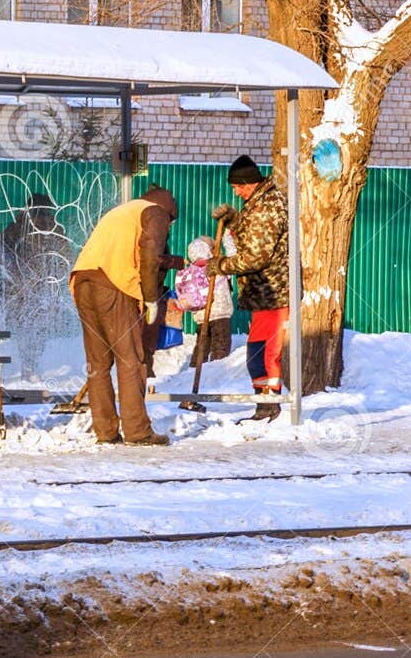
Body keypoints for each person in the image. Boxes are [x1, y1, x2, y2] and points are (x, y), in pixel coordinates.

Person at [70, 184, 181, 446]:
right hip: (113, 285)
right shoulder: (156, 212)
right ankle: (138, 431)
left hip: (83, 281)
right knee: (131, 359)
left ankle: (106, 431)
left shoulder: (125, 211)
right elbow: (150, 254)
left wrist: (176, 262)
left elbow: (145, 253)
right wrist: (152, 297)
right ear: (168, 211)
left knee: (98, 363)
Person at [210, 155, 291, 421]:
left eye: (237, 186)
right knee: (257, 352)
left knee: (265, 353)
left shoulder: (266, 207)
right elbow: (252, 237)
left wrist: (221, 266)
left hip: (273, 292)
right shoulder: (259, 203)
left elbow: (256, 256)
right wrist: (234, 222)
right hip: (263, 293)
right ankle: (263, 404)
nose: (235, 191)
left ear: (249, 183)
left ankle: (269, 406)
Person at [2, 193, 74, 380]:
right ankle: (29, 364)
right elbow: (65, 258)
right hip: (33, 288)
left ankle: (29, 364)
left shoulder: (17, 228)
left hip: (29, 288)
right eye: (41, 213)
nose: (44, 218)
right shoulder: (47, 229)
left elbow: (64, 257)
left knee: (29, 328)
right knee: (32, 328)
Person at [174, 233, 237, 366]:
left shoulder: (190, 271)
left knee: (201, 345)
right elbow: (233, 256)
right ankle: (217, 371)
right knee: (220, 345)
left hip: (201, 316)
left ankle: (194, 371)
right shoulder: (218, 266)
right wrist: (227, 237)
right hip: (220, 315)